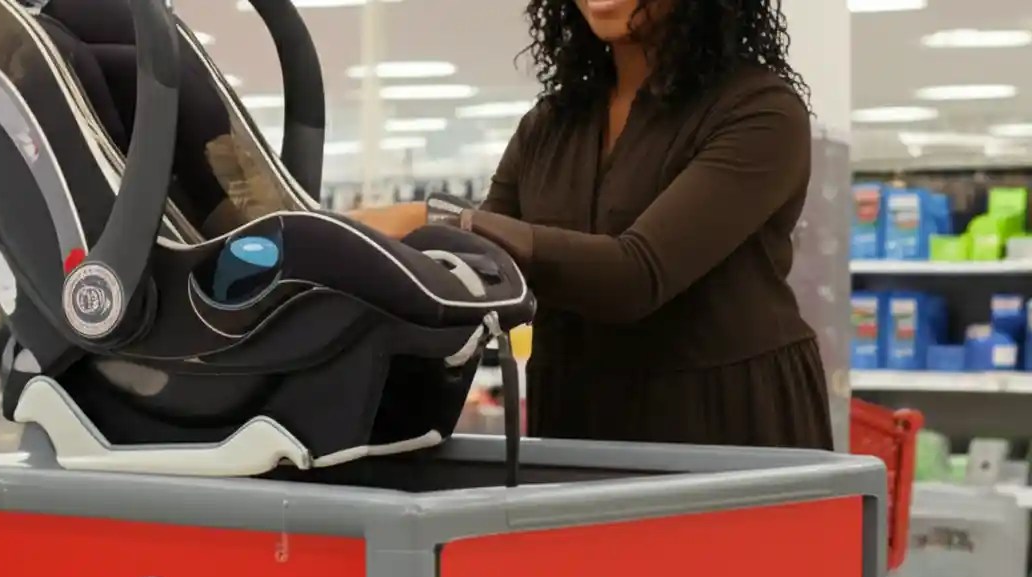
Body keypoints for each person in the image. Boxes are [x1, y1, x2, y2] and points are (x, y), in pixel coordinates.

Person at [350, 0, 833, 450]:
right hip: (575, 419)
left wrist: (433, 218)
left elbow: (635, 276)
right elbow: (483, 274)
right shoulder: (549, 126)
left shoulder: (760, 112)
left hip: (724, 425)